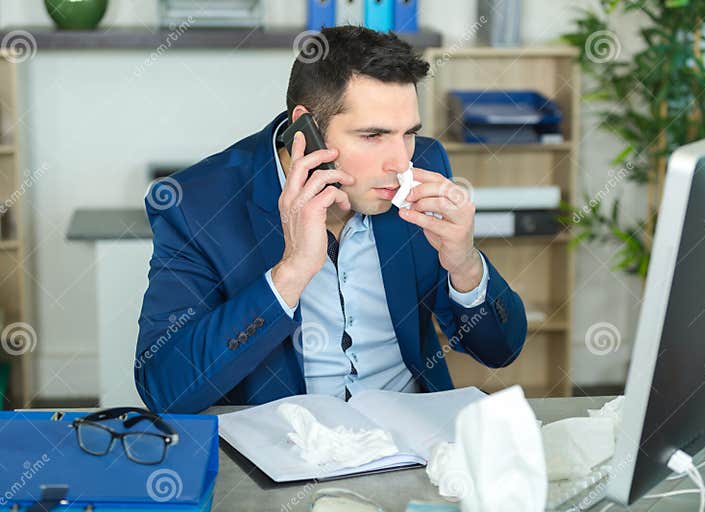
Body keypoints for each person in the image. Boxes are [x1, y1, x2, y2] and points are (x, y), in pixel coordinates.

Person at [135, 25, 527, 414]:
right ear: (307, 129)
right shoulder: (198, 205)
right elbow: (164, 388)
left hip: (410, 443)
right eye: (373, 136)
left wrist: (465, 265)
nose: (400, 162)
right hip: (282, 452)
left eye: (408, 133)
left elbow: (500, 351)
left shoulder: (427, 167)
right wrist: (291, 272)